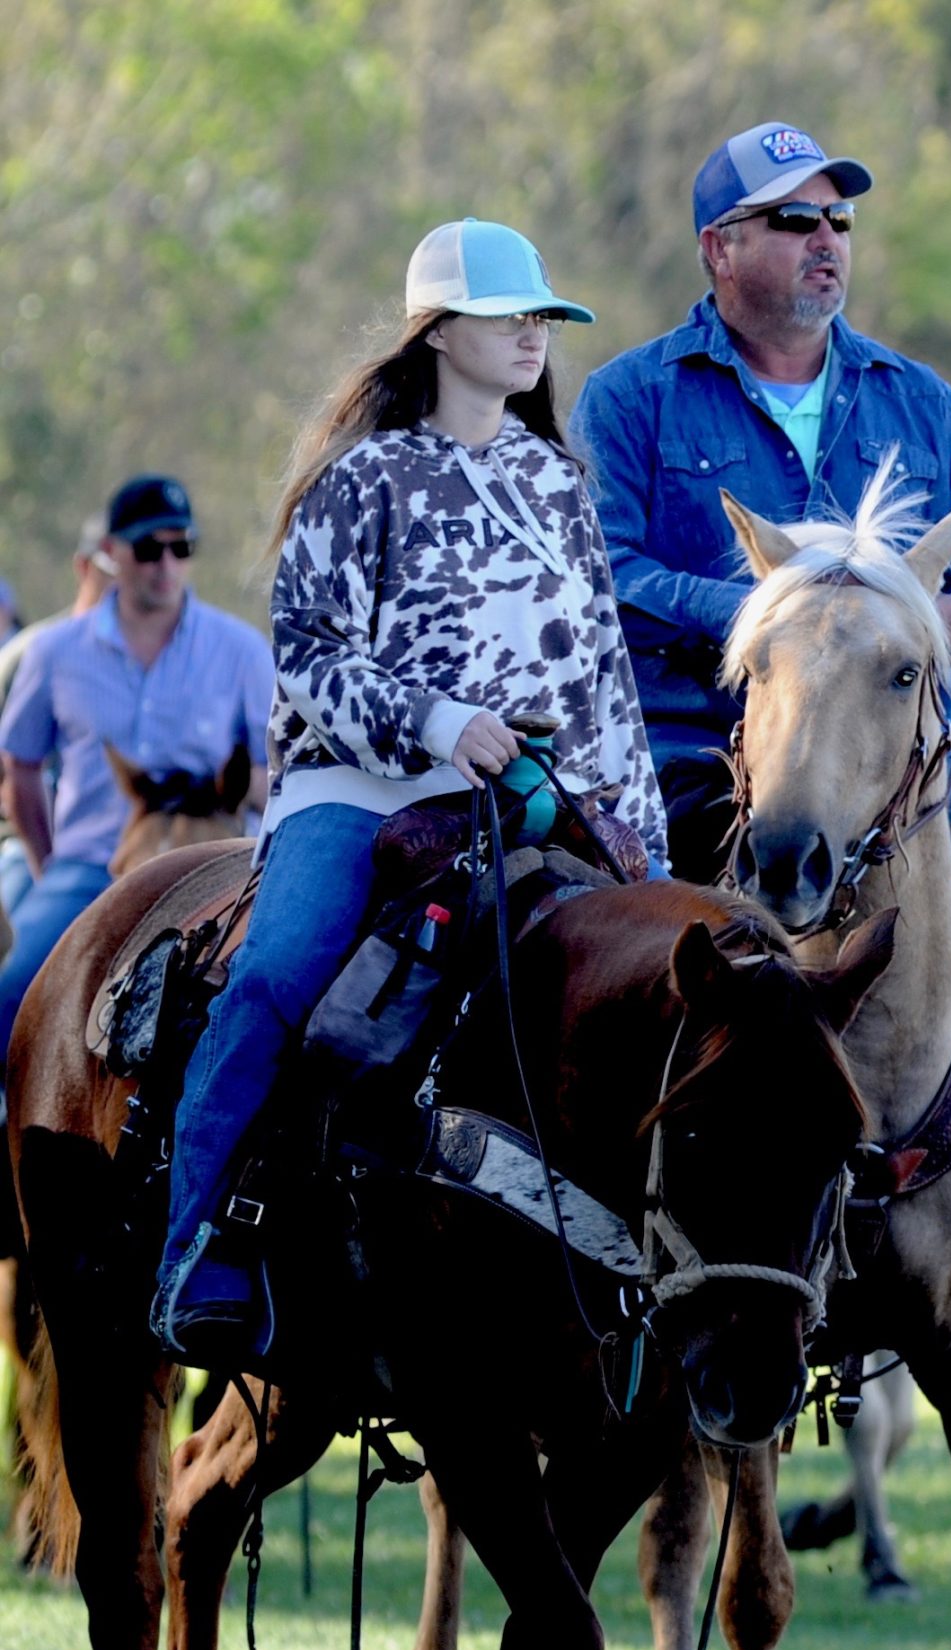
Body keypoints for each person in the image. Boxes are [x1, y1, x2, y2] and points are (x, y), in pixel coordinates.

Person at [152, 219, 667, 1359]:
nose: (534, 335)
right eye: (509, 315)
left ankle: (645, 1276)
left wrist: (643, 848)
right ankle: (206, 1244)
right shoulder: (363, 481)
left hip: (538, 794)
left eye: (543, 316)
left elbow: (602, 678)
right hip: (363, 788)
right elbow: (311, 654)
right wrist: (438, 722)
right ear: (440, 332)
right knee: (280, 977)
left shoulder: (557, 481)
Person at [574, 120, 951, 1028]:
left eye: (839, 220)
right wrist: (770, 612)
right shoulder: (631, 397)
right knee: (615, 985)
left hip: (894, 764)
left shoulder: (918, 398)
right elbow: (601, 577)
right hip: (690, 755)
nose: (826, 239)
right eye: (791, 220)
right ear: (719, 248)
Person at [0, 477, 274, 1067]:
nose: (166, 565)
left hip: (210, 872)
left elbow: (275, 772)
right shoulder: (54, 652)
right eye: (149, 549)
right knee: (8, 996)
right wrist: (52, 864)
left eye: (182, 548)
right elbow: (20, 770)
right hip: (88, 870)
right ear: (111, 554)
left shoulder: (243, 651)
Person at [0, 515, 115, 916]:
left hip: (124, 855)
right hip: (24, 845)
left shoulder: (149, 661)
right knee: (13, 966)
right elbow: (11, 772)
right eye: (111, 568)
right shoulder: (31, 653)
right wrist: (48, 872)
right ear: (84, 567)